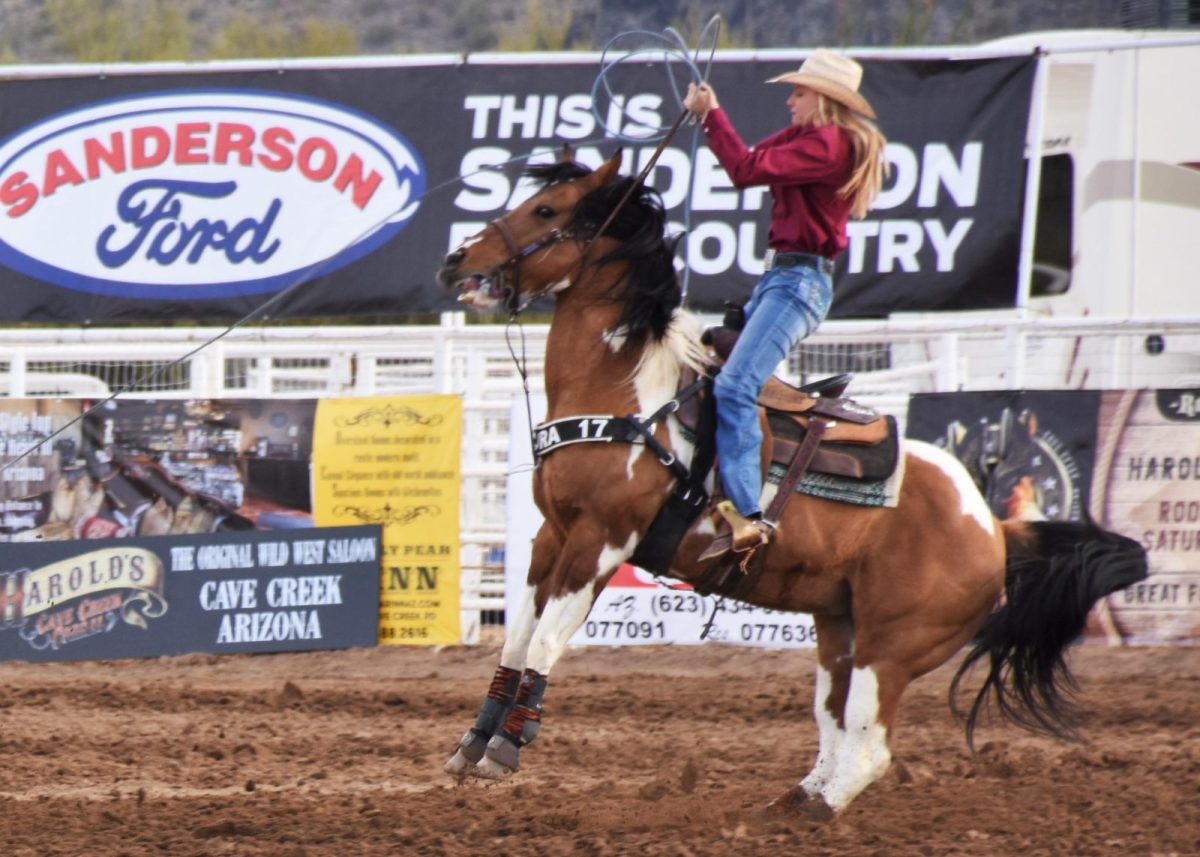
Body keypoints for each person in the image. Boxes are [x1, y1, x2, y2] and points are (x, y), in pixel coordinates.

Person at [683, 48, 889, 556]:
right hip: (784, 281)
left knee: (735, 386)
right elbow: (747, 161)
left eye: (798, 93)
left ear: (822, 99)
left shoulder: (828, 144)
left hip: (796, 284)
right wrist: (709, 118)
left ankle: (747, 514)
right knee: (724, 380)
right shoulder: (813, 140)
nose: (790, 101)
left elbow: (744, 169)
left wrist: (711, 114)